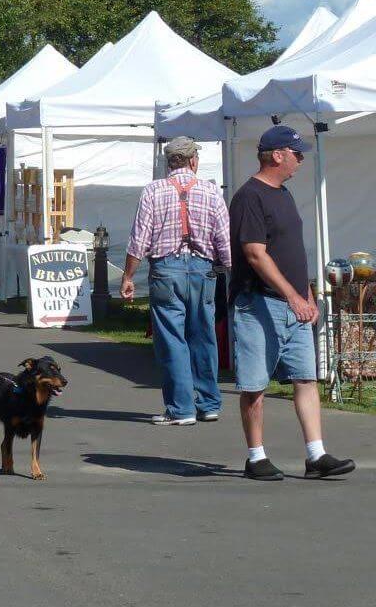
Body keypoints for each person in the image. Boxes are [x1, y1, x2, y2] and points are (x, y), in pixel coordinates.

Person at [227, 125, 354, 481]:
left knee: (305, 378)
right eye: (296, 153)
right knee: (254, 385)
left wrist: (307, 293)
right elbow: (255, 253)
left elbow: (291, 252)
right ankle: (256, 456)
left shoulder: (282, 194)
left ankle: (317, 454)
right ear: (277, 155)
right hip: (258, 304)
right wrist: (292, 295)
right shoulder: (250, 196)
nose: (300, 160)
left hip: (292, 302)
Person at [120, 136, 230, 426]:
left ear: (169, 162)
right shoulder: (210, 191)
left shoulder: (153, 191)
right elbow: (223, 238)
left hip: (166, 270)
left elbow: (139, 239)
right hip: (203, 269)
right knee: (203, 335)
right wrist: (232, 272)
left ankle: (181, 408)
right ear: (194, 161)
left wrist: (128, 276)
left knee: (172, 339)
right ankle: (208, 403)